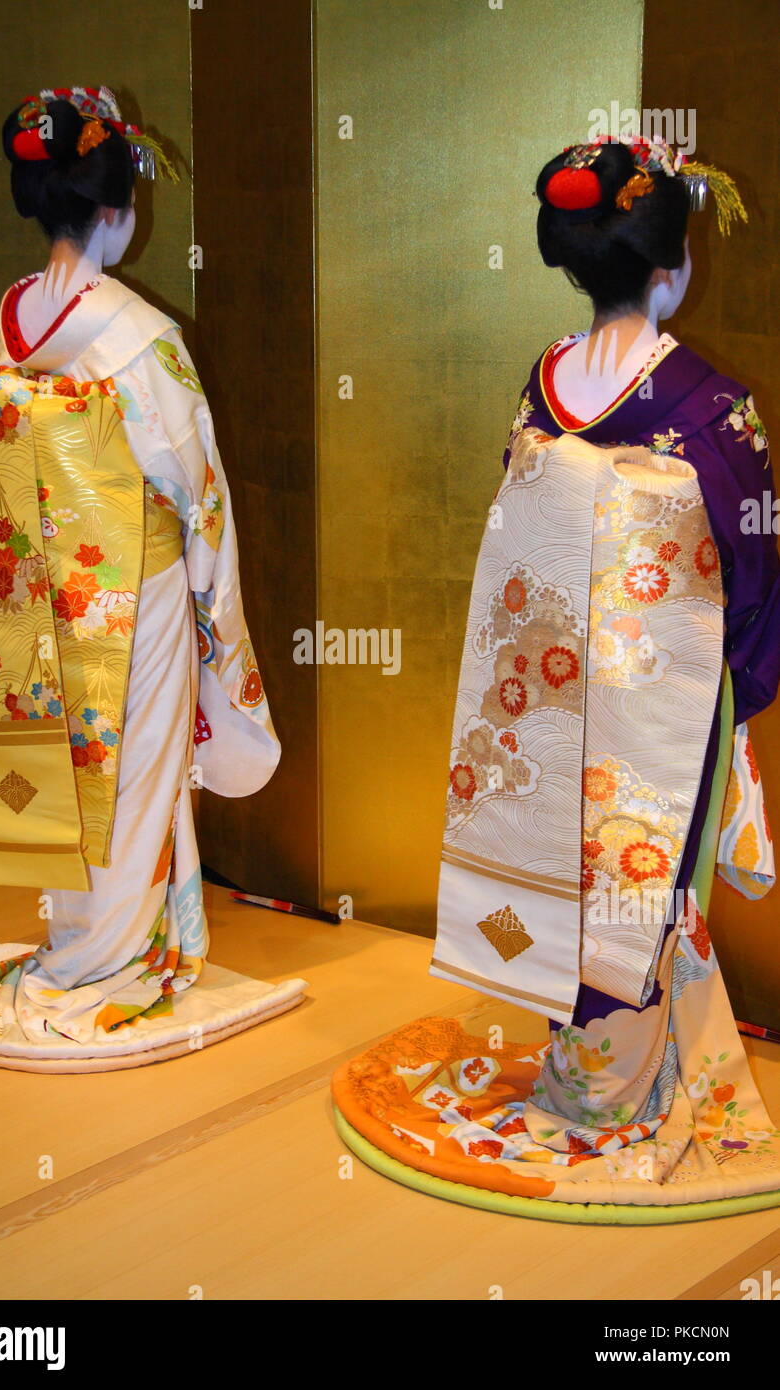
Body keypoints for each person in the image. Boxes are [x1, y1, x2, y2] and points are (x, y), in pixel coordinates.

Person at [332, 134, 780, 1214]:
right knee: (640, 874)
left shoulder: (539, 389)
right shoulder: (711, 409)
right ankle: (619, 1092)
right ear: (668, 269)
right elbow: (754, 559)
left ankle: (578, 1064)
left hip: (544, 688)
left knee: (564, 868)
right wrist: (744, 674)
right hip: (654, 700)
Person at [0, 86, 306, 1071]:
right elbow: (194, 482)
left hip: (41, 581)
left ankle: (82, 935)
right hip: (133, 583)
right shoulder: (137, 334)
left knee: (65, 766)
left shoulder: (16, 315)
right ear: (117, 211)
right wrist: (216, 594)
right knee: (132, 774)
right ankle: (112, 957)